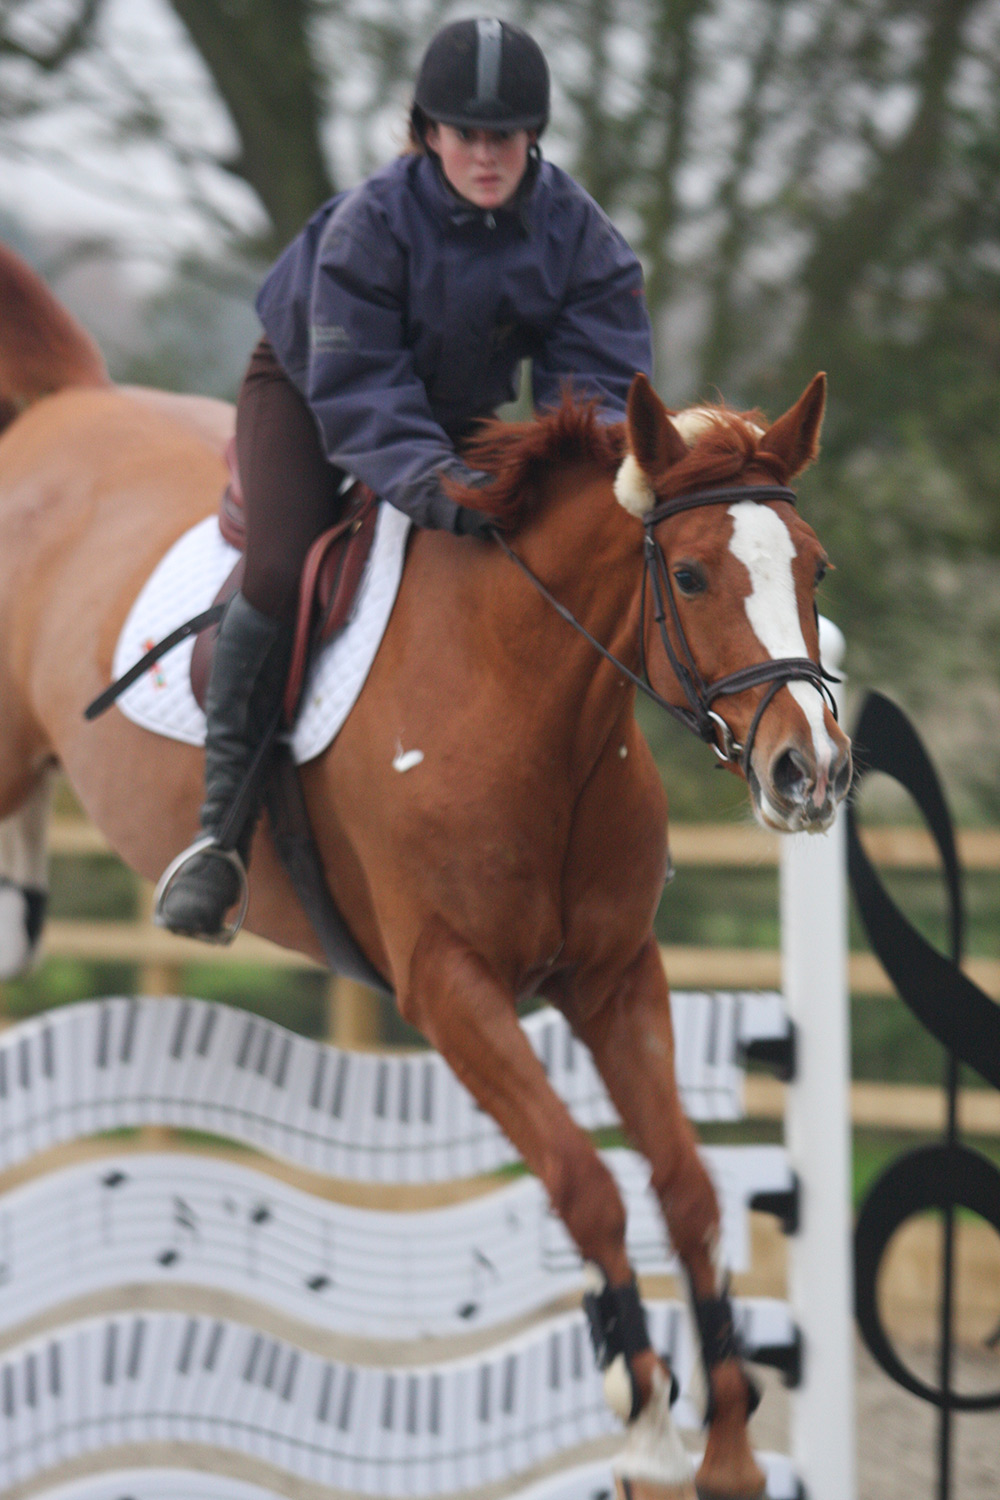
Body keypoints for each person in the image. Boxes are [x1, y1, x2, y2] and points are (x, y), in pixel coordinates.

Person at [157, 15, 654, 940]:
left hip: (452, 406)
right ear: (428, 132)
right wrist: (434, 484)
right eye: (467, 134)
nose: (487, 155)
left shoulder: (578, 233)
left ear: (532, 137)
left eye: (505, 136)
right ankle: (219, 835)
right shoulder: (369, 226)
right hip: (312, 393)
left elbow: (599, 387)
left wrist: (570, 486)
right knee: (277, 569)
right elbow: (363, 392)